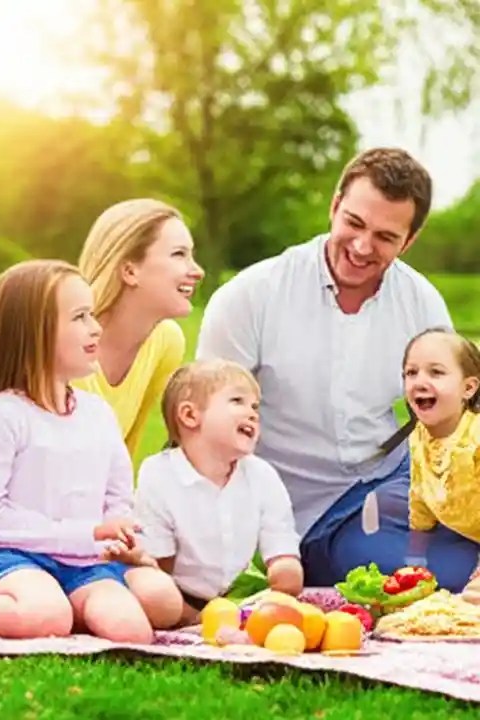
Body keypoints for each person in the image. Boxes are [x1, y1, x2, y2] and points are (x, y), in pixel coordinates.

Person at [0, 198, 204, 622]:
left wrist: (118, 530)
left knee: (153, 600)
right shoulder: (65, 346)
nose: (196, 269)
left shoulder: (165, 342)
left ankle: (29, 600)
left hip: (49, 511)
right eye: (179, 254)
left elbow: (118, 454)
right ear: (130, 269)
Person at [196, 146, 479, 592]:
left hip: (405, 484)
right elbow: (204, 433)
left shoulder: (421, 303)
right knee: (444, 577)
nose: (363, 247)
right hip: (316, 517)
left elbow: (453, 419)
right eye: (354, 223)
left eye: (386, 237)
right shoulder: (251, 297)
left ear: (410, 240)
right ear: (334, 206)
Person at [0, 259, 182, 641]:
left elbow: (117, 495)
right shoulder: (2, 416)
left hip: (85, 560)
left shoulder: (97, 414)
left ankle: (69, 608)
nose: (96, 327)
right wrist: (88, 532)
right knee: (45, 617)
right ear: (33, 332)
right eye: (80, 317)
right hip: (13, 556)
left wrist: (120, 537)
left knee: (135, 628)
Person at [134, 359, 303, 623]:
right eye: (237, 401)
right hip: (179, 598)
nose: (253, 413)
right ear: (190, 415)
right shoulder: (159, 475)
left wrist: (285, 572)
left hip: (239, 600)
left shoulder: (262, 475)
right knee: (154, 595)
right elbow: (158, 563)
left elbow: (281, 544)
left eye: (255, 406)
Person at [399, 328, 480, 577]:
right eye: (411, 373)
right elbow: (420, 497)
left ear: (468, 388)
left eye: (436, 372)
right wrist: (414, 562)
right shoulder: (419, 436)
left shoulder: (475, 439)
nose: (420, 381)